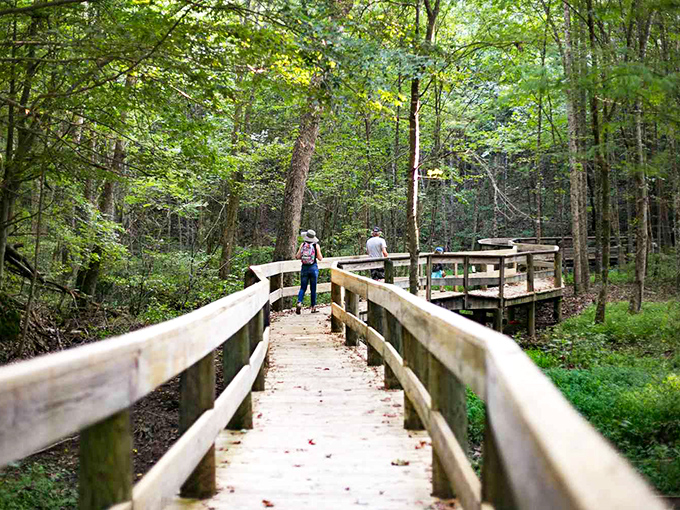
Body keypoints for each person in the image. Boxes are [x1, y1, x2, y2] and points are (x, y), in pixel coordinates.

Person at [295, 229, 323, 314]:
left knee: (303, 287)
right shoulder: (316, 245)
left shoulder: (303, 245)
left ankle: (299, 302)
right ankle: (313, 307)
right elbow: (320, 258)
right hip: (313, 268)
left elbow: (297, 256)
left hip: (304, 268)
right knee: (313, 288)